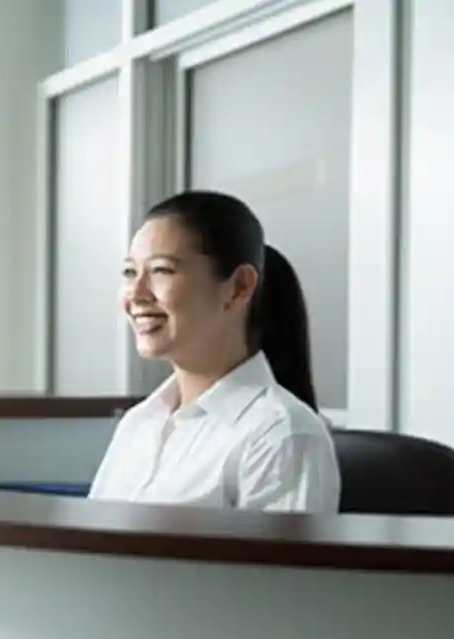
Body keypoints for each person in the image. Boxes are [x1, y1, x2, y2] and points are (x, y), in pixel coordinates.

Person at [87, 190, 340, 513]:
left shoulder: (282, 435)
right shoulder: (140, 423)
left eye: (162, 270)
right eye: (129, 272)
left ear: (238, 287)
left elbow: (277, 566)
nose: (136, 293)